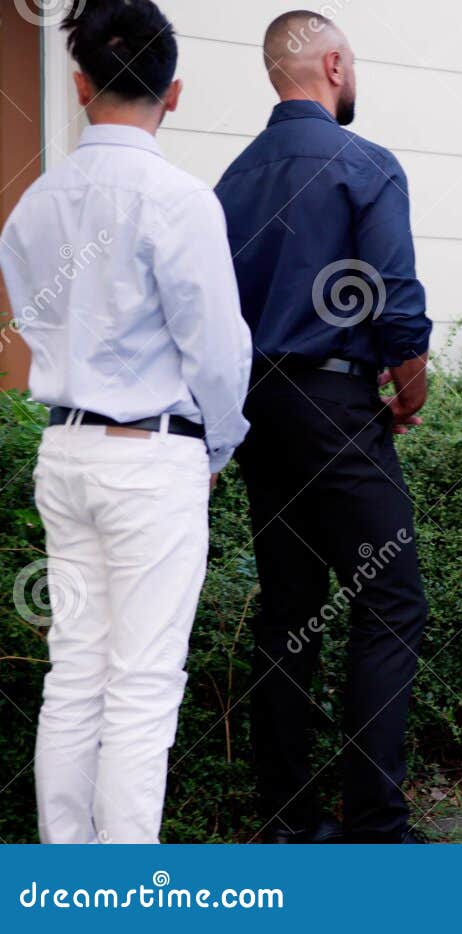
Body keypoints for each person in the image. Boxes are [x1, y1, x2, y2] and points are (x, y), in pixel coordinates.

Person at [0, 0, 251, 844]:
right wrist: (218, 445)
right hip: (151, 455)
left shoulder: (35, 203)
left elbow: (38, 326)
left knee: (74, 675)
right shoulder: (180, 200)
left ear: (80, 86)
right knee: (142, 685)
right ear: (173, 92)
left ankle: (68, 878)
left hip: (65, 447)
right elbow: (218, 351)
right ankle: (123, 890)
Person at [215, 10, 433, 844]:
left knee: (288, 608)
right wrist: (409, 390)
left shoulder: (231, 179)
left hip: (256, 409)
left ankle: (287, 820)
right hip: (335, 405)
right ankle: (376, 822)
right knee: (391, 600)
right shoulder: (364, 163)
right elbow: (397, 298)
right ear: (334, 65)